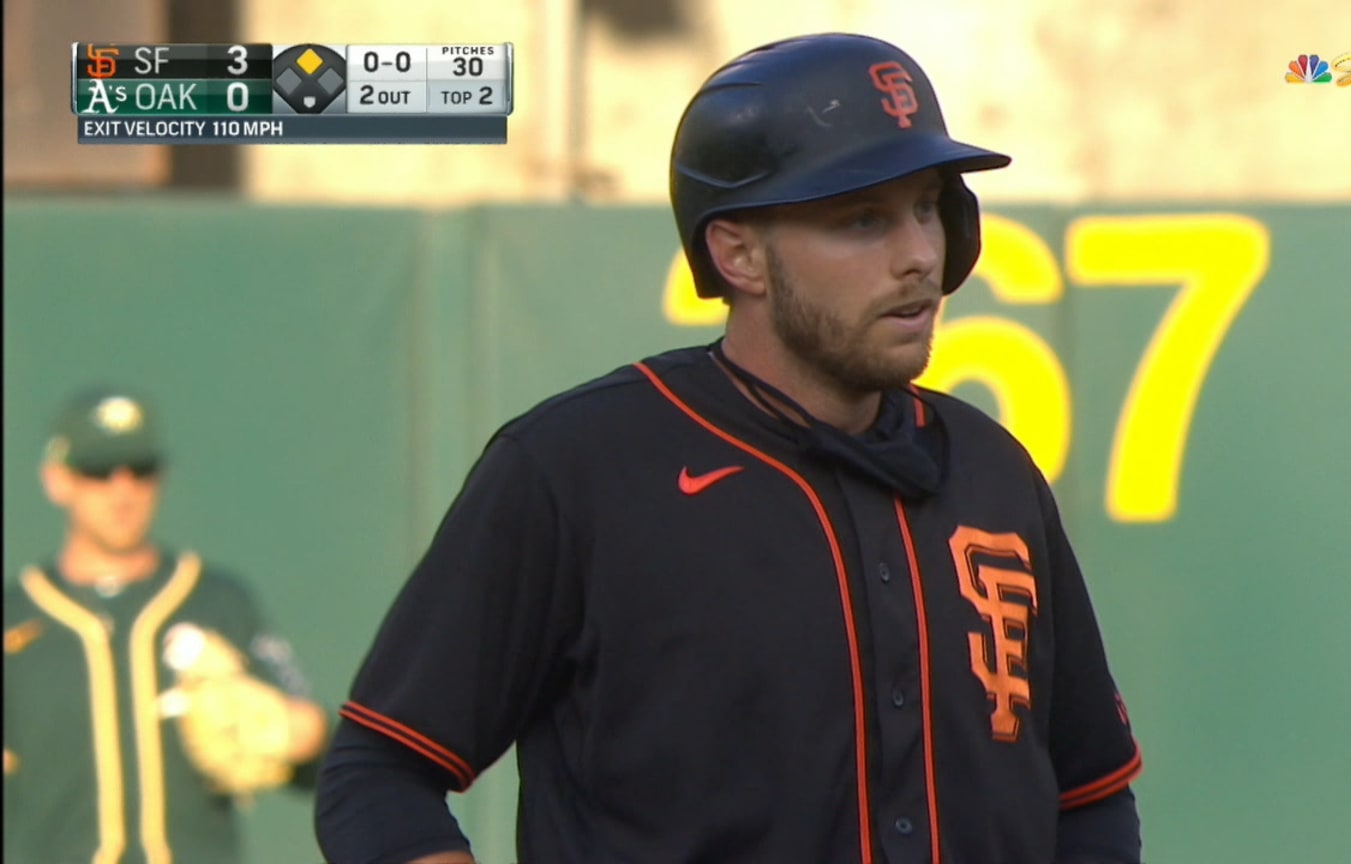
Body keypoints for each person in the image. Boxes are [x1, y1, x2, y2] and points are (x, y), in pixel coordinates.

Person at [315, 32, 1143, 864]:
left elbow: (1092, 797)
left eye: (928, 207)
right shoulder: (581, 470)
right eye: (863, 219)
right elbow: (379, 775)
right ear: (738, 252)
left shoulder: (994, 474)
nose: (919, 255)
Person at [3, 388, 332, 864]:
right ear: (58, 480)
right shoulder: (15, 619)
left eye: (139, 470)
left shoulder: (215, 600)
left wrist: (292, 728)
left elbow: (316, 743)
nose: (123, 491)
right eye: (99, 472)